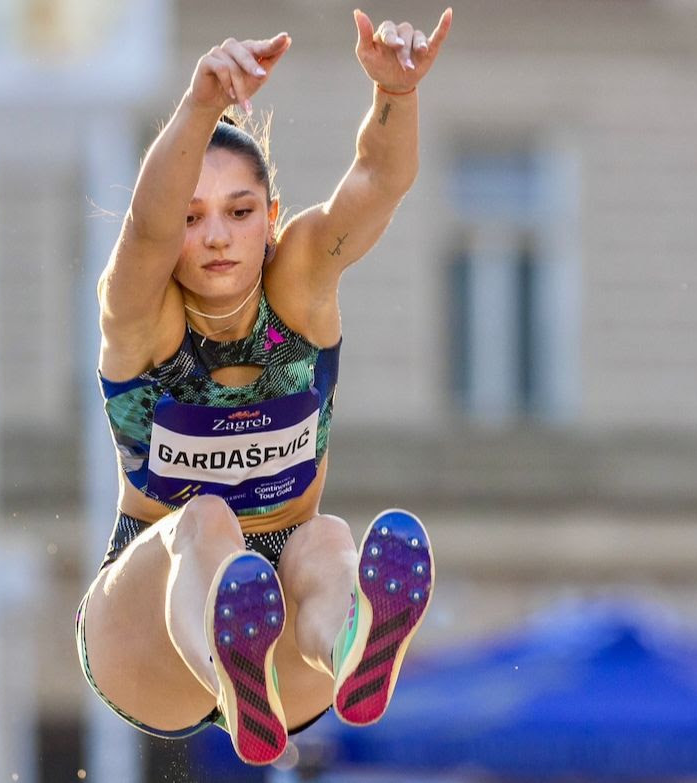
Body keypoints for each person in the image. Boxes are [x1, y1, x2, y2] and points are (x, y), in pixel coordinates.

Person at [76, 7, 454, 766]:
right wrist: (201, 102)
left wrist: (396, 95)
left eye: (239, 212)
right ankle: (229, 666)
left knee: (324, 538)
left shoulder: (300, 283)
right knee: (205, 520)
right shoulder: (141, 314)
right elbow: (145, 235)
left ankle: (351, 646)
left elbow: (377, 182)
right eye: (194, 216)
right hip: (149, 631)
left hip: (285, 641)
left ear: (270, 218)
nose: (216, 235)